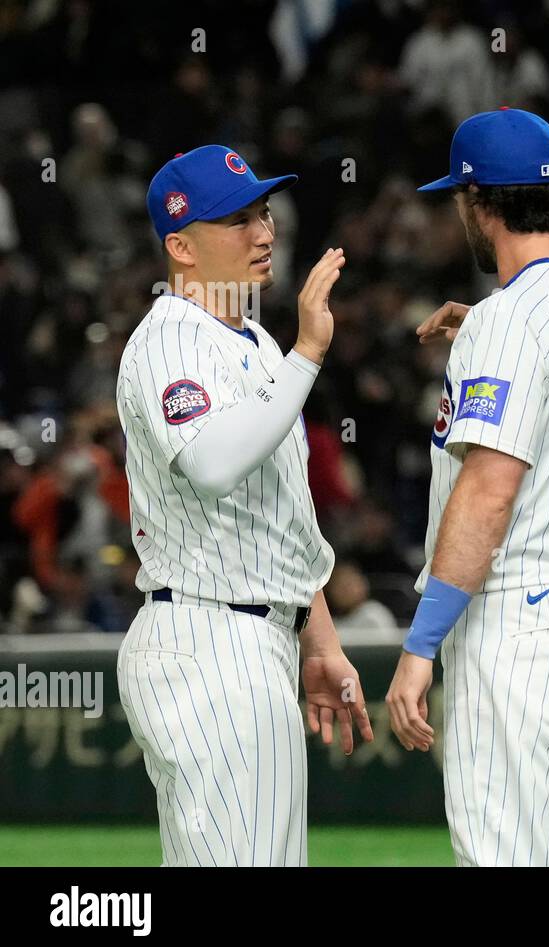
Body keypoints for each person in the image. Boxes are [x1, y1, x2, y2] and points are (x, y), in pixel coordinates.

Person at [386, 109, 549, 866]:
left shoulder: (510, 319)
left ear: (479, 202)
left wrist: (421, 643)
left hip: (521, 619)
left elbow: (490, 490)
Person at [116, 145, 373, 867]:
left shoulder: (254, 339)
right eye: (236, 220)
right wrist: (310, 353)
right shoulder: (169, 338)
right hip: (205, 639)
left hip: (256, 638)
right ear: (180, 245)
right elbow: (214, 461)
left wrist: (317, 639)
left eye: (262, 212)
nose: (264, 232)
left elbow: (285, 516)